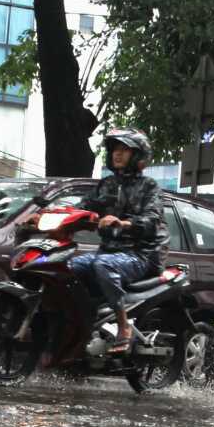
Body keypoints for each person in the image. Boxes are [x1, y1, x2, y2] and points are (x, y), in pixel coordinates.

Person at [74, 129, 166, 351]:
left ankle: (123, 325)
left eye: (125, 150)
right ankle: (79, 325)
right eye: (115, 149)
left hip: (140, 255)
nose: (118, 154)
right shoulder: (106, 185)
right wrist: (46, 214)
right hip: (109, 252)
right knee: (69, 265)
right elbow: (80, 207)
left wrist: (123, 223)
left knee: (102, 264)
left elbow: (152, 220)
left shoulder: (149, 186)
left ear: (138, 156)